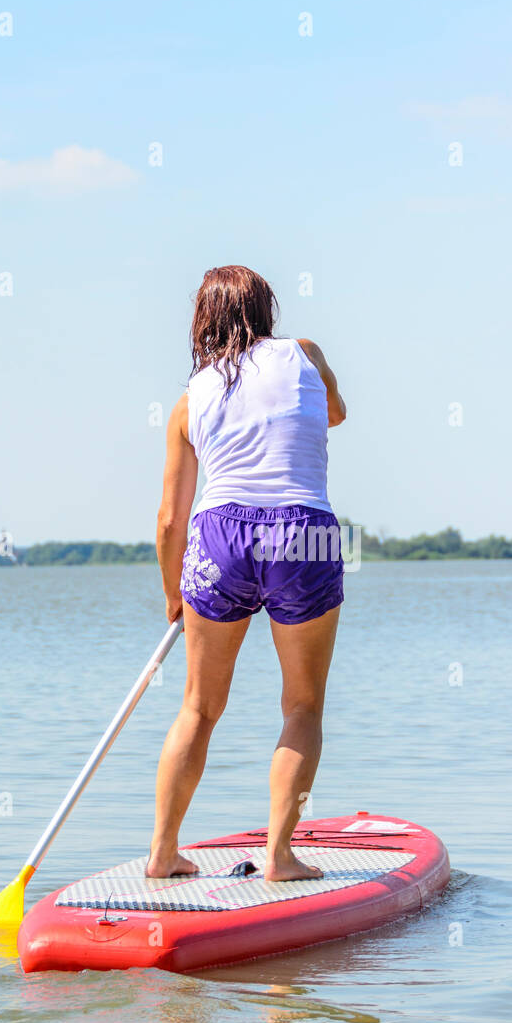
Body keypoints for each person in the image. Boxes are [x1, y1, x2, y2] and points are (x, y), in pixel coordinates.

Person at [148, 265, 346, 882]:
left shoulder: (188, 401)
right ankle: (280, 857)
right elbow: (336, 414)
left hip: (217, 537)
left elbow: (168, 521)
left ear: (202, 321)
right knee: (303, 707)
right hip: (302, 532)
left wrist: (174, 594)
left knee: (198, 709)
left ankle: (162, 854)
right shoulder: (305, 354)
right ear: (267, 312)